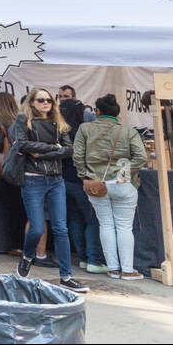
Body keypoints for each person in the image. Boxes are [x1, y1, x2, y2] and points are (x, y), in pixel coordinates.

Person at [12, 87, 88, 293]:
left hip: (56, 180)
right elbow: (24, 145)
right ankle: (28, 256)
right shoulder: (23, 120)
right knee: (37, 227)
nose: (46, 103)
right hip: (33, 180)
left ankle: (66, 276)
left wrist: (44, 151)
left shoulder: (59, 123)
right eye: (41, 100)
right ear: (32, 102)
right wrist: (52, 148)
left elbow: (68, 149)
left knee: (61, 228)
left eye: (49, 100)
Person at [74, 94, 148, 280]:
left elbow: (77, 156)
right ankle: (128, 270)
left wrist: (85, 176)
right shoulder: (128, 130)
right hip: (123, 184)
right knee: (124, 226)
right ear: (117, 113)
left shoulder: (85, 128)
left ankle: (113, 268)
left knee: (105, 224)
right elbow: (141, 157)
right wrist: (123, 174)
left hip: (96, 183)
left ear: (98, 111)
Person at [59, 95, 106, 274]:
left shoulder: (60, 131)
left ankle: (84, 259)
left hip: (63, 180)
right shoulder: (84, 131)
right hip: (82, 180)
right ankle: (93, 259)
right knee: (92, 219)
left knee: (75, 220)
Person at [0, 92, 30, 253]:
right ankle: (23, 244)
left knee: (8, 210)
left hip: (4, 170)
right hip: (21, 167)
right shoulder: (21, 120)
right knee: (20, 208)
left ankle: (12, 245)